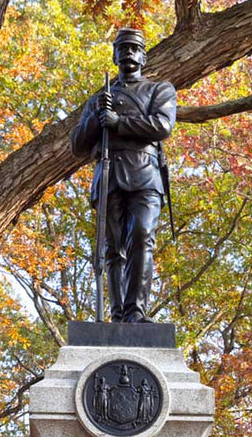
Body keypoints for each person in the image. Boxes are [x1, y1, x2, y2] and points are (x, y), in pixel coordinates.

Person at [71, 28, 177, 323]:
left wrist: (119, 122)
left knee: (142, 236)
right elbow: (77, 145)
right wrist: (96, 117)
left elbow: (162, 126)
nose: (128, 52)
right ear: (115, 54)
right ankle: (118, 316)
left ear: (143, 56)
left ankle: (136, 313)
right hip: (109, 174)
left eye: (134, 48)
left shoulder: (159, 90)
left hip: (145, 175)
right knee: (113, 249)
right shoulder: (99, 98)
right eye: (123, 47)